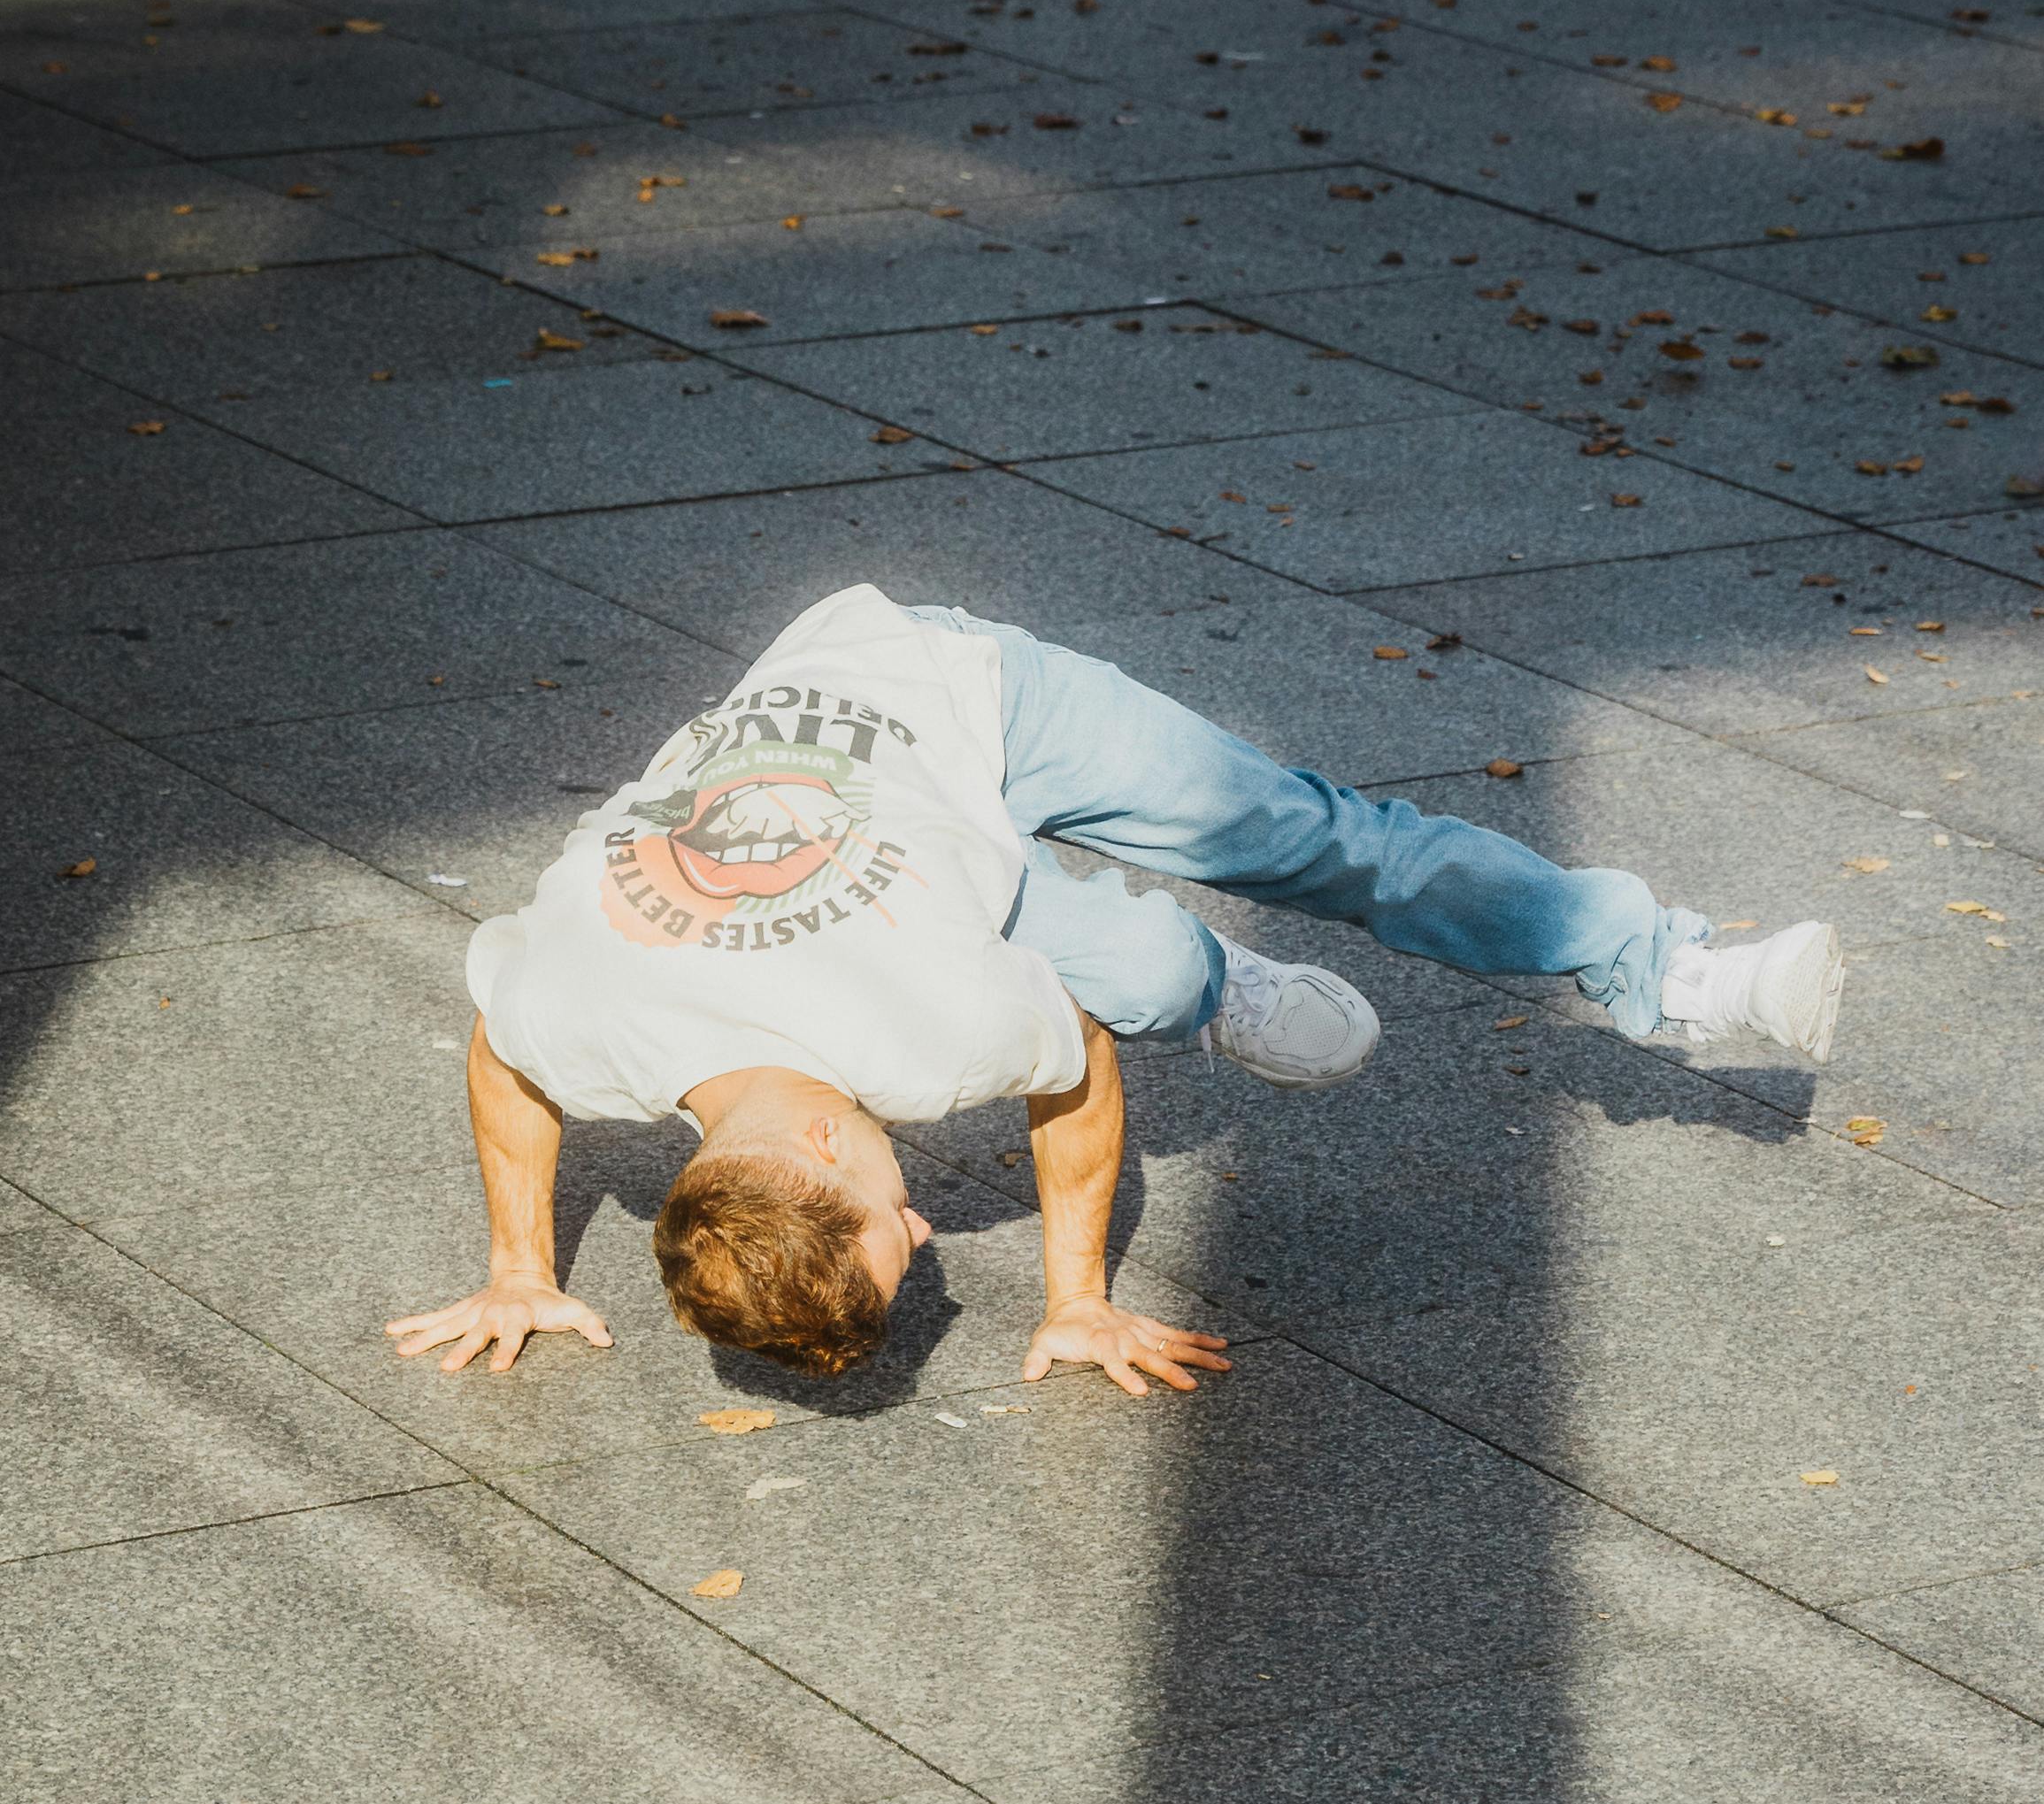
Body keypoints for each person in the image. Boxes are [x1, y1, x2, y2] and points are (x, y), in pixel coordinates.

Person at [388, 586, 1843, 1398]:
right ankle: (1197, 977)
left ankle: (1670, 967)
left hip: (954, 694)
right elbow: (504, 1054)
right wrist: (519, 1266)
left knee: (1317, 840)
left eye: (897, 1230)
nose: (923, 1219)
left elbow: (1069, 1077)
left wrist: (1075, 1289)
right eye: (920, 1241)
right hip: (931, 882)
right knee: (1140, 974)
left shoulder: (926, 1033)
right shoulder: (576, 1018)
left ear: (821, 1150)